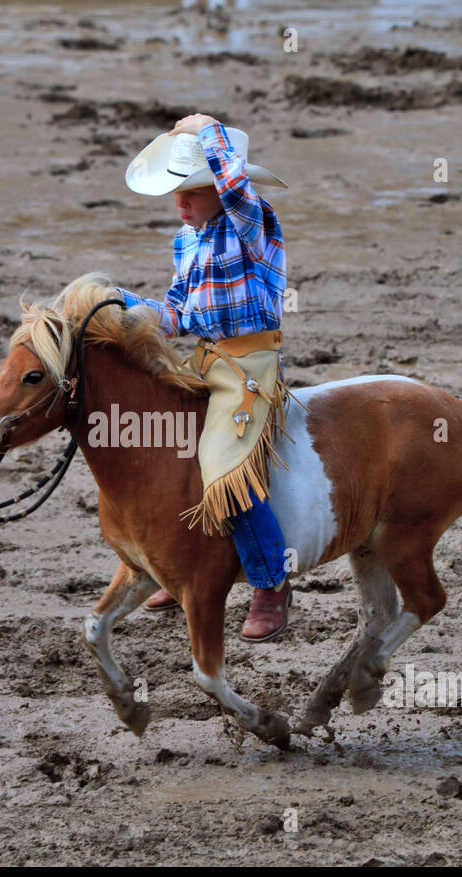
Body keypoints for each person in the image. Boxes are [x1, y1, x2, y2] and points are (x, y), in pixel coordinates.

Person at [115, 113, 293, 642]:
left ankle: (271, 582)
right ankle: (180, 565)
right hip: (205, 358)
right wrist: (119, 305)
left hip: (251, 365)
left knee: (222, 462)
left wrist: (208, 127)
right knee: (154, 442)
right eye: (178, 190)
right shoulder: (184, 241)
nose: (181, 202)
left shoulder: (253, 222)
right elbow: (175, 314)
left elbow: (234, 185)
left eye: (194, 190)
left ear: (220, 185)